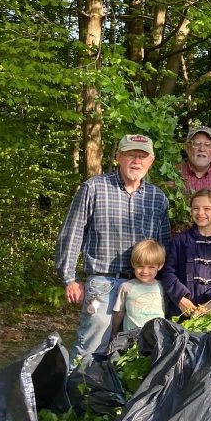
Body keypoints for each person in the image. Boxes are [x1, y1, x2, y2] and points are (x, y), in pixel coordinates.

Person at [56, 134, 171, 362]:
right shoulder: (94, 188)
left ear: (151, 161)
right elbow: (72, 232)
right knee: (92, 347)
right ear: (119, 157)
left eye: (142, 156)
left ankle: (118, 386)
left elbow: (164, 244)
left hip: (143, 285)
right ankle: (79, 384)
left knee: (137, 351)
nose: (136, 161)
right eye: (131, 155)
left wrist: (164, 284)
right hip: (103, 283)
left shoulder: (157, 198)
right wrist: (69, 278)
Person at [159, 189, 211, 318]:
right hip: (182, 311)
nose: (200, 213)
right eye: (195, 208)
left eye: (207, 208)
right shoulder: (180, 240)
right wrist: (181, 298)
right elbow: (168, 272)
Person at [111, 239, 167, 336]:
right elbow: (119, 313)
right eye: (140, 266)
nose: (145, 271)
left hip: (157, 338)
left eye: (151, 267)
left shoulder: (162, 286)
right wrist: (114, 331)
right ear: (133, 264)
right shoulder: (126, 287)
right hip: (131, 338)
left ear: (160, 266)